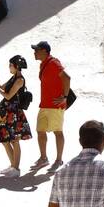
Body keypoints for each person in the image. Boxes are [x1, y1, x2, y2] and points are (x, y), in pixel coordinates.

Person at [0, 55, 32, 176]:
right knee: (4, 140)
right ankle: (13, 165)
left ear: (16, 66)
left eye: (10, 65)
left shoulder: (20, 80)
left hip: (13, 113)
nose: (9, 67)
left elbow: (8, 95)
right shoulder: (14, 77)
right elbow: (2, 88)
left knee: (14, 140)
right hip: (6, 111)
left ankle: (16, 169)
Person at [31, 41, 70, 170]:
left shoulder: (53, 63)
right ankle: (44, 159)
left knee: (57, 132)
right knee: (40, 131)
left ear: (44, 51)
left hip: (55, 105)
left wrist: (65, 97)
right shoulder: (43, 64)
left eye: (37, 50)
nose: (34, 52)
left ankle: (58, 160)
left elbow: (67, 78)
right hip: (44, 105)